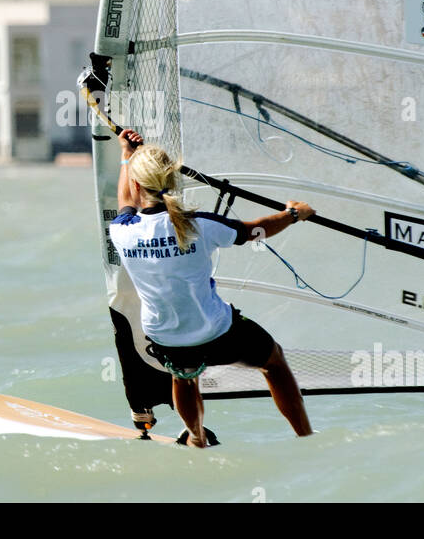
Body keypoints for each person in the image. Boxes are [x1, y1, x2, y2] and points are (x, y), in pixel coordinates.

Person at [108, 128, 314, 447]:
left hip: (164, 336)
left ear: (137, 184)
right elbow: (255, 232)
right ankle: (306, 437)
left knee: (184, 375)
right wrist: (293, 214)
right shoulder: (198, 225)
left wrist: (125, 157)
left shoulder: (122, 231)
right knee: (273, 361)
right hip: (217, 331)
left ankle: (197, 438)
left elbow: (125, 202)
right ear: (173, 181)